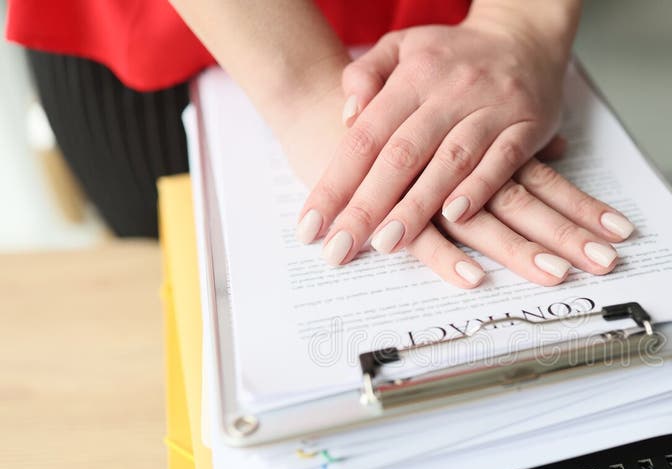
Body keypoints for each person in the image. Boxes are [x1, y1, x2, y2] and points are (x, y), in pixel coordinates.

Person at [7, 0, 635, 288]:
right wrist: (304, 91)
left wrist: (522, 24)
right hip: (187, 30)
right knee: (166, 307)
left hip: (471, 39)